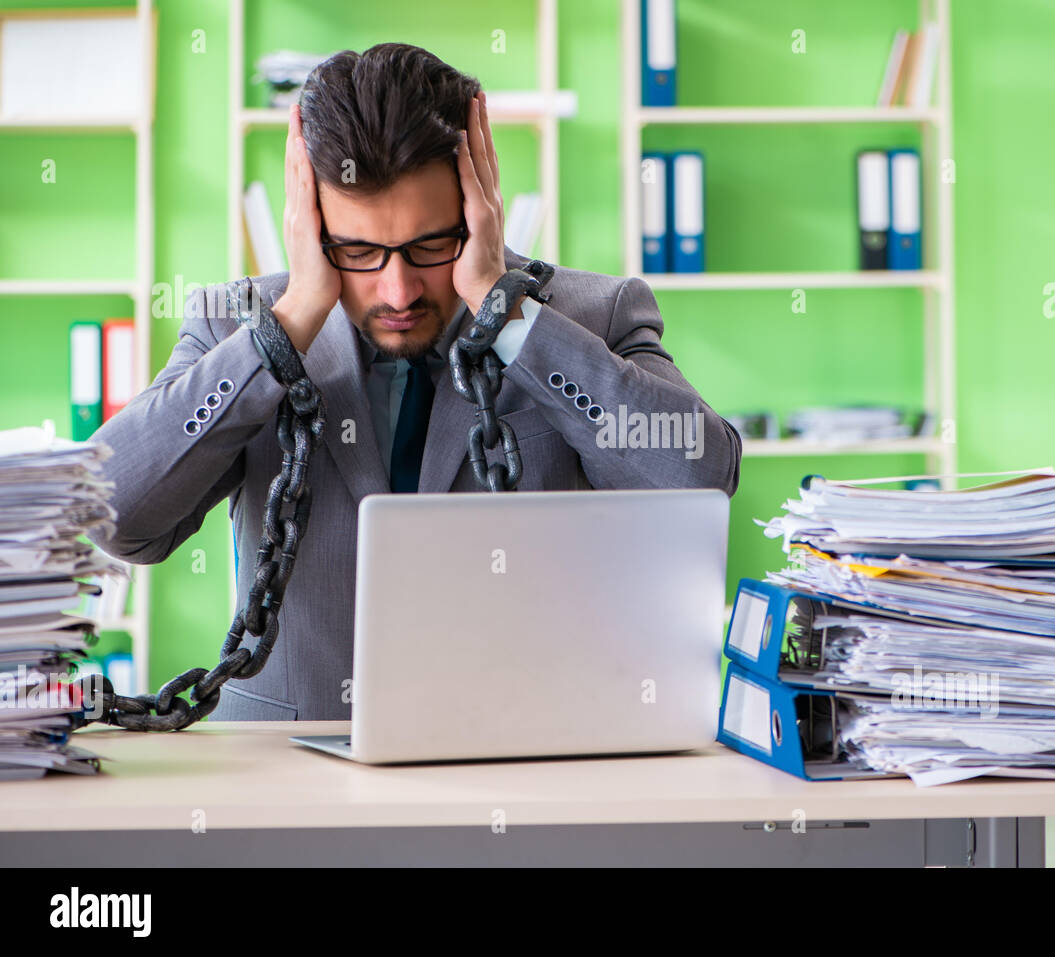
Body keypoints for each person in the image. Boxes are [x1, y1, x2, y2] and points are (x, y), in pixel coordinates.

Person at [86, 43, 741, 721]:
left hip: (530, 764)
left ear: (480, 200)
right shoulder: (237, 324)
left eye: (431, 245)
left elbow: (700, 480)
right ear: (308, 223)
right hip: (288, 783)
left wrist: (510, 314)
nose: (396, 289)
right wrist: (287, 328)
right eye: (359, 251)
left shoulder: (592, 316)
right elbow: (115, 514)